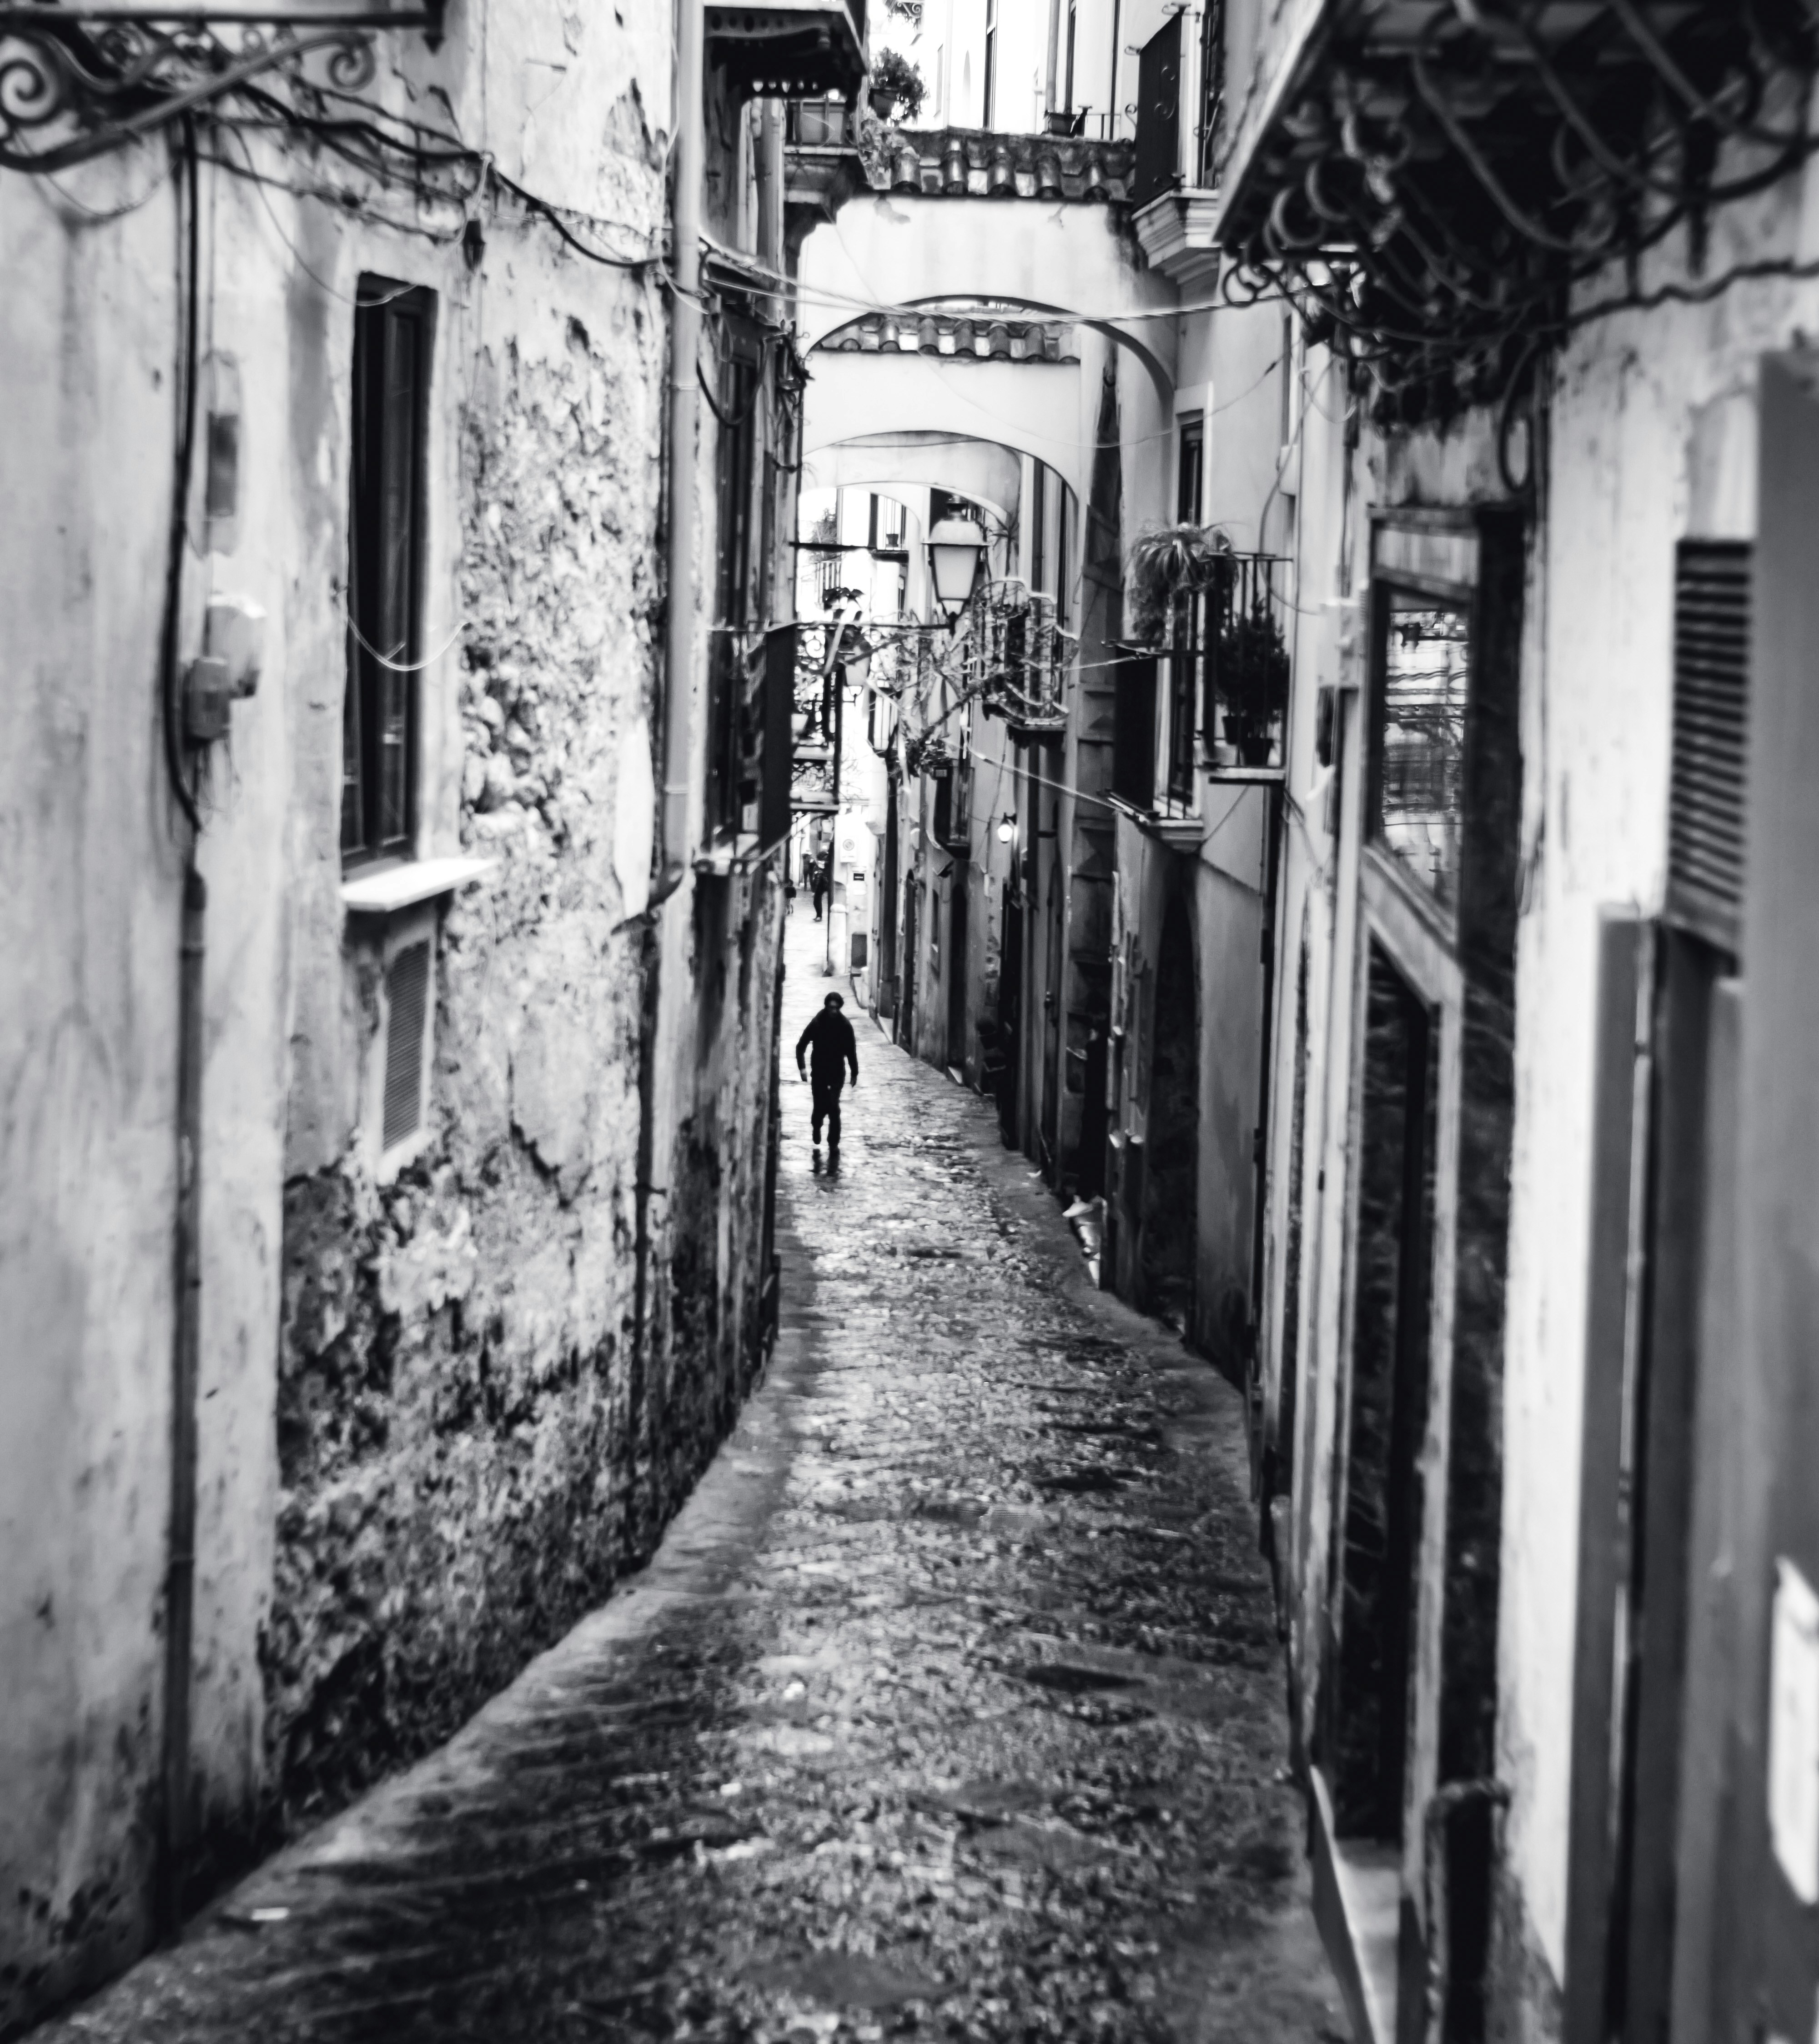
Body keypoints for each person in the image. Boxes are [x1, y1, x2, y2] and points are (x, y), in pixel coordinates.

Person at [796, 991, 859, 1151]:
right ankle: (817, 1127)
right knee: (819, 1106)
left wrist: (854, 1073)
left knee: (833, 1105)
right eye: (831, 1008)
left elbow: (851, 1051)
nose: (834, 1011)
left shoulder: (845, 1026)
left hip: (837, 1072)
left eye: (837, 1008)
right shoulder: (817, 1023)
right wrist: (802, 1068)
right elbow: (801, 1045)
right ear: (826, 1007)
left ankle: (833, 1141)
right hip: (819, 1072)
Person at [809, 857, 826, 922]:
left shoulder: (819, 869)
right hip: (820, 889)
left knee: (817, 902)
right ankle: (819, 916)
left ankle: (819, 916)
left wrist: (814, 891)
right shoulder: (820, 868)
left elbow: (817, 881)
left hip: (819, 889)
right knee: (817, 902)